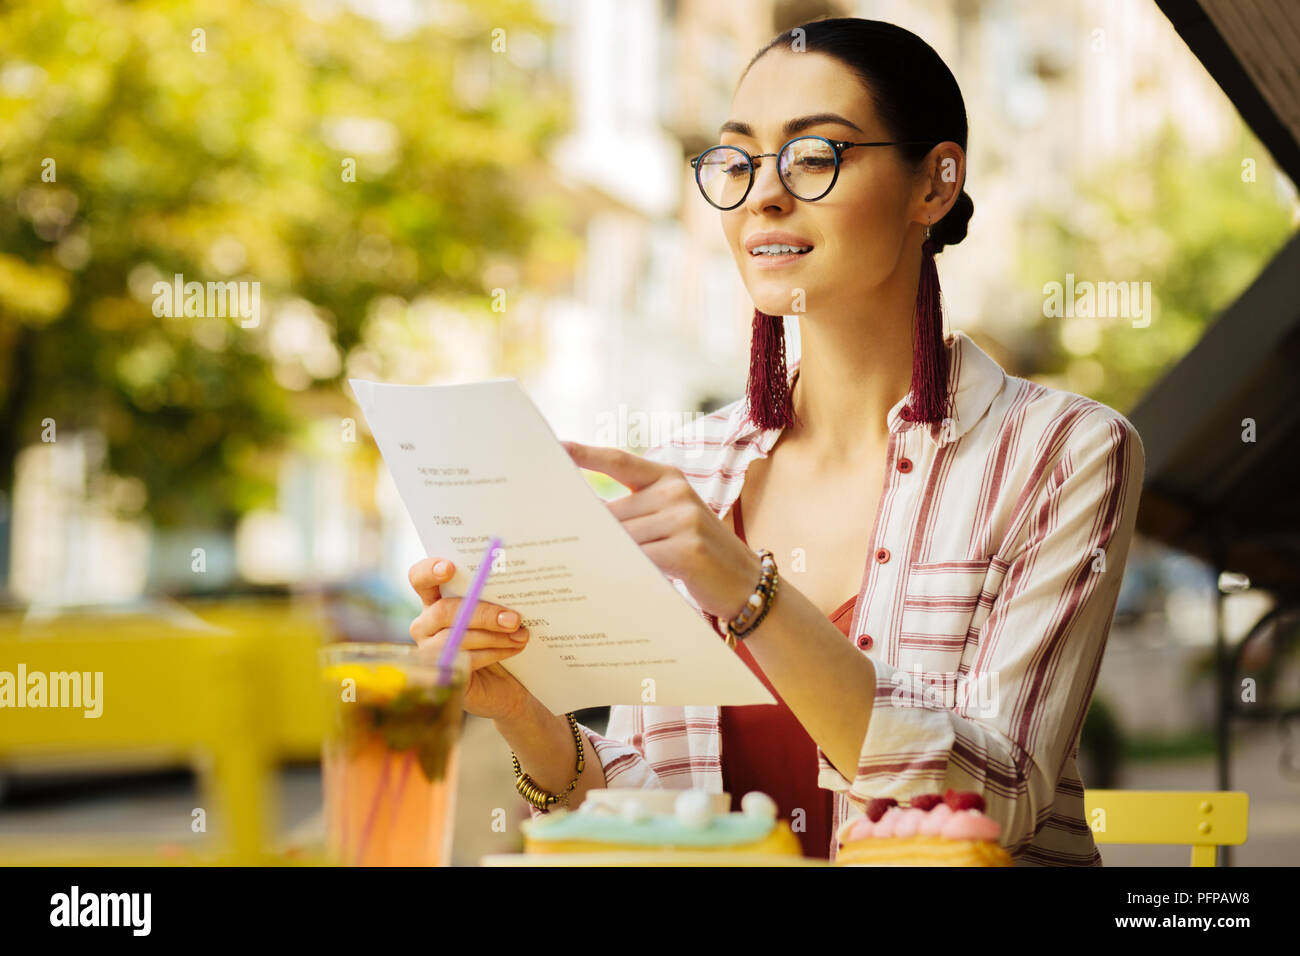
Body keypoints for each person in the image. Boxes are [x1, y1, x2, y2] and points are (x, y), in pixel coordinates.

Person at [407, 16, 1145, 864]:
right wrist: (524, 713)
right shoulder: (690, 470)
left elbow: (996, 801)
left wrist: (744, 593)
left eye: (814, 154)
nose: (764, 193)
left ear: (934, 185)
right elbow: (675, 818)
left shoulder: (1065, 453)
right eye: (738, 158)